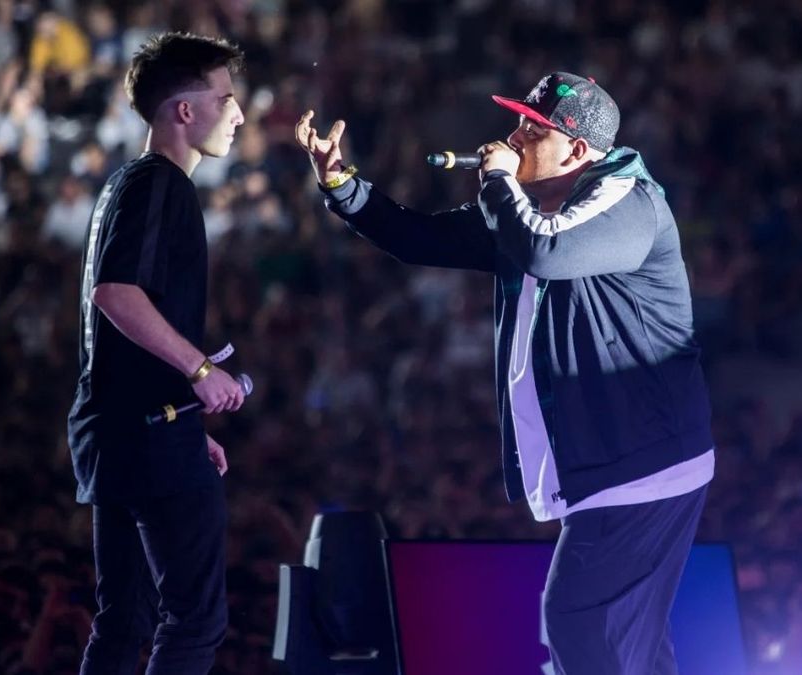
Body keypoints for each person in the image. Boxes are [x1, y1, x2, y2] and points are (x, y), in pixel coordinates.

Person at [296, 72, 714, 674]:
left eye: (532, 129)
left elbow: (547, 251)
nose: (513, 138)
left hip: (644, 462)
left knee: (577, 621)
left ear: (576, 149)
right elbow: (419, 238)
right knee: (633, 645)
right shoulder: (529, 209)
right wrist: (341, 183)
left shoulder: (629, 201)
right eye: (517, 122)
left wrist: (496, 180)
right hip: (621, 461)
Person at [67, 32, 246, 674]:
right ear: (184, 110)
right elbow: (115, 293)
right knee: (195, 618)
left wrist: (185, 418)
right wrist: (199, 372)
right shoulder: (160, 186)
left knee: (124, 620)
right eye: (226, 98)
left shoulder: (126, 183)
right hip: (145, 435)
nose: (240, 114)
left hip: (126, 428)